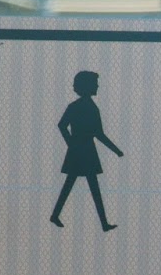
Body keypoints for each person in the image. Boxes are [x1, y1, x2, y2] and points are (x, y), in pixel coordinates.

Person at [50, 70, 122, 231]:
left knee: (78, 185)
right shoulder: (86, 107)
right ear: (87, 86)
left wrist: (72, 144)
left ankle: (56, 215)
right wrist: (71, 144)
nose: (97, 86)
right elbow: (97, 134)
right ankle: (103, 223)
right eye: (95, 83)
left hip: (83, 150)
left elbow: (97, 133)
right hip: (84, 151)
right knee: (83, 186)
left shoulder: (84, 107)